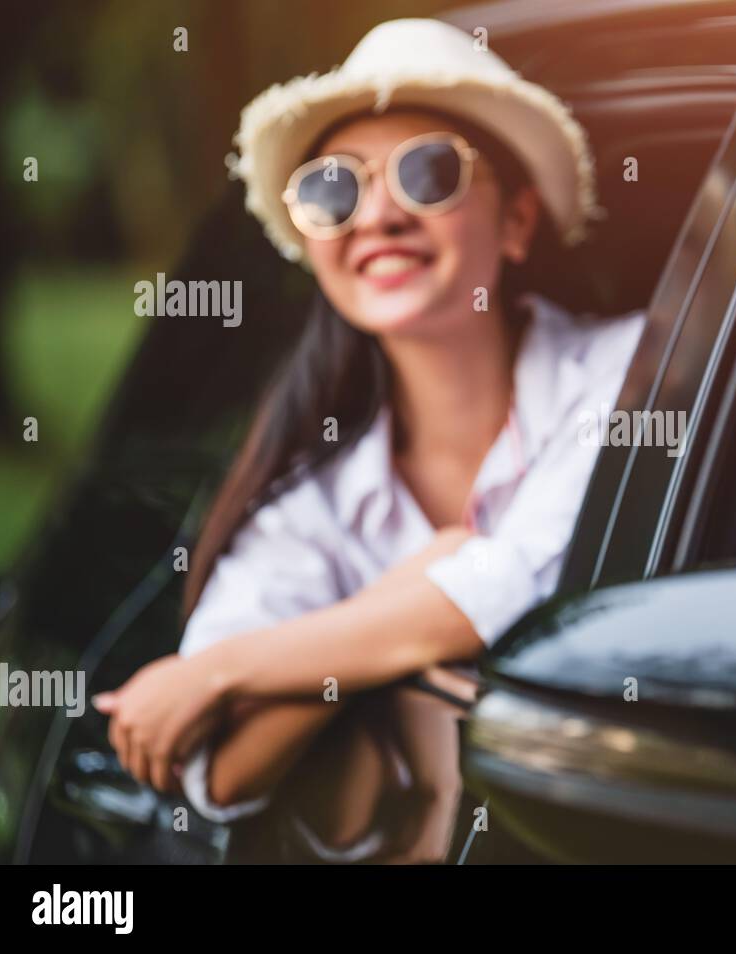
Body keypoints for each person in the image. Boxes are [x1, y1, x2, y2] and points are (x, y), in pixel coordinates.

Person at [92, 18, 645, 862]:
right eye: (333, 190)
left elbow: (516, 579)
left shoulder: (630, 372)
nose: (378, 213)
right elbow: (218, 770)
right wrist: (409, 601)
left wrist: (224, 671)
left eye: (428, 172)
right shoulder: (310, 498)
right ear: (315, 246)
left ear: (517, 221)